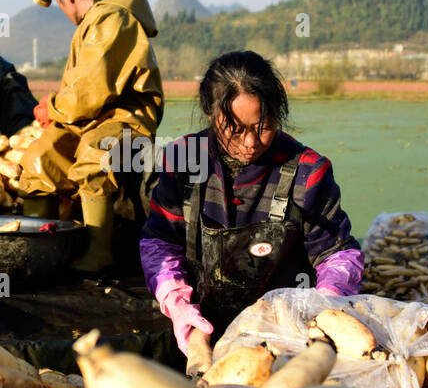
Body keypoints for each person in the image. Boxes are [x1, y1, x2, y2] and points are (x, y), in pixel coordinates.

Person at [140, 51, 363, 363]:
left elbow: (337, 254)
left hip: (285, 339)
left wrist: (326, 309)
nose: (250, 143)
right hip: (199, 331)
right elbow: (160, 242)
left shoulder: (307, 172)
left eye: (264, 126)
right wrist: (177, 303)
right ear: (210, 112)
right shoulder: (182, 160)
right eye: (234, 128)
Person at [19, 0, 164, 272]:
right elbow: (82, 96)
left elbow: (89, 89)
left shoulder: (111, 19)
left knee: (92, 155)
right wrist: (59, 110)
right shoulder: (92, 23)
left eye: (59, 3)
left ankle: (98, 253)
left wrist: (53, 108)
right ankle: (40, 251)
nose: (62, 10)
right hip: (89, 118)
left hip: (125, 117)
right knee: (39, 159)